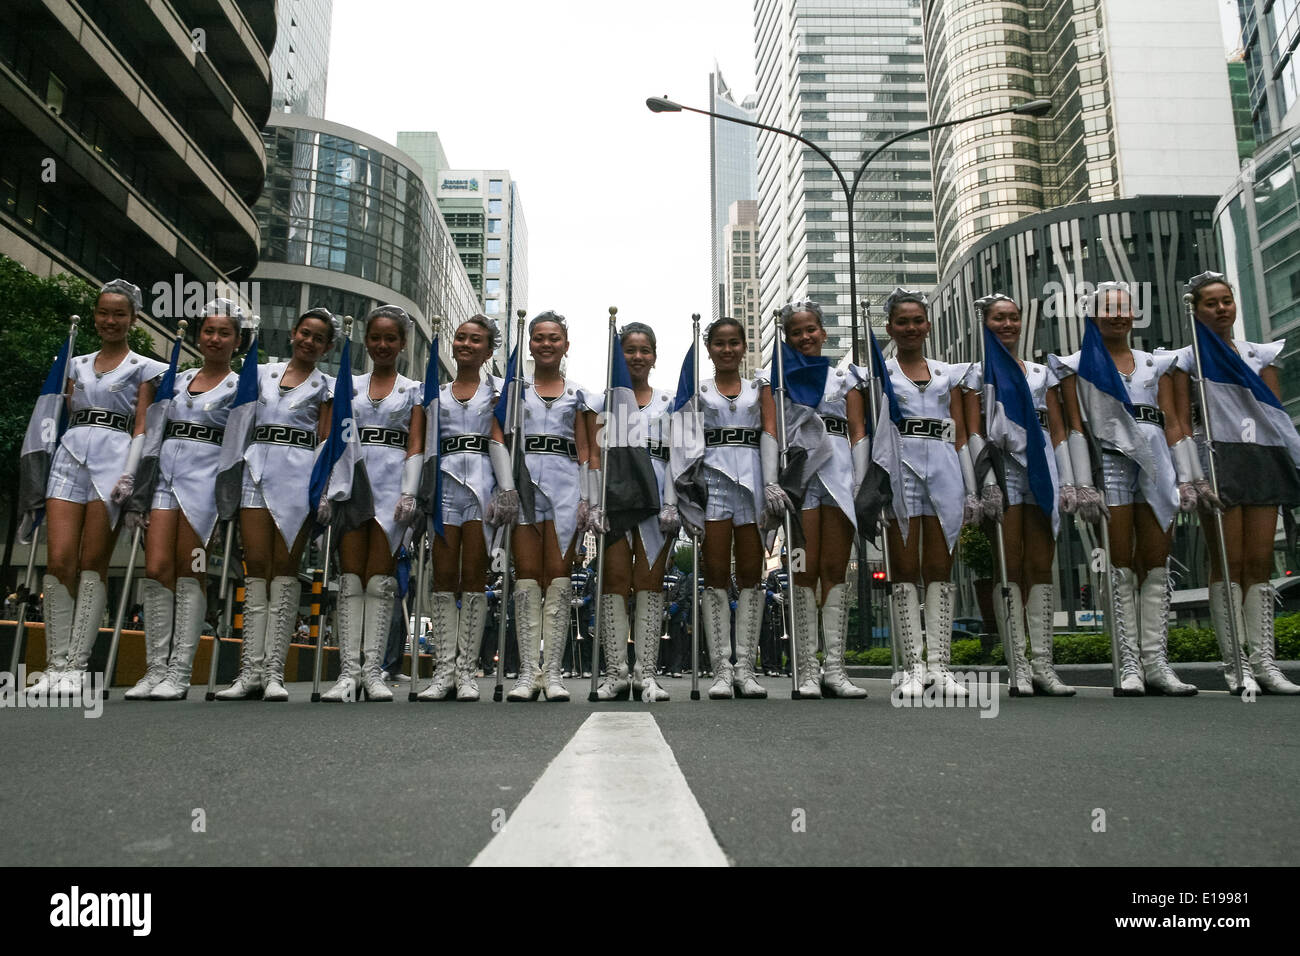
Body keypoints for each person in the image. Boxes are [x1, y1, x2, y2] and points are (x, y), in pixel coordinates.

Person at [1052, 282, 1196, 696]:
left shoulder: (1157, 364)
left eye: (1124, 308)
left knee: (1155, 561)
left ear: (1134, 315)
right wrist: (1080, 482)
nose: (1117, 315)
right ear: (1092, 317)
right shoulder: (1076, 365)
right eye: (1107, 309)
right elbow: (1075, 425)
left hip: (1156, 466)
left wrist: (1187, 476)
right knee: (1120, 562)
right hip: (1109, 466)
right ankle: (1127, 663)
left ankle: (1157, 663)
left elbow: (1171, 421)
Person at [28, 279, 167, 696]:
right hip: (71, 455)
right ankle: (54, 663)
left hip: (113, 458)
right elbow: (62, 412)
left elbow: (143, 422)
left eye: (119, 314)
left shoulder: (145, 367)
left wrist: (131, 471)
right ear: (95, 316)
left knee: (93, 562)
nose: (110, 320)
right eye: (104, 313)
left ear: (133, 319)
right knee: (59, 561)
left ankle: (76, 664)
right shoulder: (75, 363)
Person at [1166, 271, 1300, 695]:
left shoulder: (1260, 355)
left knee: (1259, 563)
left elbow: (1274, 416)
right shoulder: (1186, 360)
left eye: (1226, 301)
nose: (1221, 309)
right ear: (1196, 309)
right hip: (1215, 459)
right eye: (1211, 303)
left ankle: (1265, 663)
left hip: (1259, 458)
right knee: (1228, 562)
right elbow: (1181, 420)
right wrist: (1190, 475)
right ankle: (1236, 665)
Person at [125, 299, 244, 700]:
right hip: (164, 482)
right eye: (208, 331)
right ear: (199, 336)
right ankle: (154, 669)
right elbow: (152, 428)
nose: (214, 338)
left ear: (237, 341)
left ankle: (179, 672)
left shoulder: (240, 388)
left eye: (223, 333)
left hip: (205, 489)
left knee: (189, 572)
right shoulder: (176, 379)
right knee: (157, 568)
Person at [216, 307, 337, 701]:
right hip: (256, 470)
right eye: (304, 333)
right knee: (257, 569)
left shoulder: (328, 386)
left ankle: (274, 673)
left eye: (318, 338)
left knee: (285, 571)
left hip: (298, 479)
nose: (309, 342)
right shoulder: (261, 372)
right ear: (293, 334)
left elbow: (325, 440)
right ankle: (248, 671)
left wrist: (322, 491)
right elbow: (241, 425)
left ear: (326, 347)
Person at [962, 293, 1075, 696]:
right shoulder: (977, 375)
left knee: (1041, 565)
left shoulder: (1043, 374)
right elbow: (973, 431)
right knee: (1009, 564)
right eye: (998, 319)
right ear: (986, 324)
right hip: (1003, 473)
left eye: (1013, 318)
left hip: (1042, 471)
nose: (1007, 325)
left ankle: (1044, 664)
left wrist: (1071, 479)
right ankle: (1019, 666)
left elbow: (1059, 429)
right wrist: (986, 482)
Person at [315, 305, 424, 703]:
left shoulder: (413, 390)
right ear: (366, 340)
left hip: (392, 485)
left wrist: (409, 491)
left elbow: (416, 442)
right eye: (375, 338)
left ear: (402, 343)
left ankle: (373, 671)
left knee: (380, 580)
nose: (382, 345)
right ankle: (348, 673)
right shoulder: (345, 385)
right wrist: (325, 489)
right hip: (352, 483)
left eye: (390, 339)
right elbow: (329, 439)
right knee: (350, 578)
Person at [763, 300, 868, 699]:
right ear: (787, 338)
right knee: (803, 569)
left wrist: (860, 480)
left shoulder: (845, 379)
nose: (805, 337)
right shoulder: (775, 379)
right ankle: (806, 667)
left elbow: (858, 430)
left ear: (824, 333)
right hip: (801, 481)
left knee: (835, 568)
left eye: (811, 329)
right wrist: (772, 481)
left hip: (839, 479)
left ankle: (835, 669)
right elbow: (771, 431)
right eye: (796, 332)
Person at [491, 311, 597, 701]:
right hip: (524, 486)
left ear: (566, 345)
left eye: (554, 338)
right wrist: (505, 488)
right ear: (531, 344)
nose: (547, 343)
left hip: (567, 488)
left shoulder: (581, 395)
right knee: (527, 576)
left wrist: (590, 498)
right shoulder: (514, 391)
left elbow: (588, 450)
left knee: (558, 576)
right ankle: (526, 673)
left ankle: (552, 673)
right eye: (539, 337)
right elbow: (498, 436)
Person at [877, 289, 971, 699]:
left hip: (945, 468)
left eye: (917, 321)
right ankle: (914, 666)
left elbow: (963, 432)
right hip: (902, 471)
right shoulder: (880, 374)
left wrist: (972, 487)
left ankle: (940, 666)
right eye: (903, 322)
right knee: (904, 567)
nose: (911, 328)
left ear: (928, 325)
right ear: (890, 328)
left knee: (939, 567)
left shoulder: (948, 373)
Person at [687, 317, 781, 699]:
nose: (727, 350)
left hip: (753, 482)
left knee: (750, 574)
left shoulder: (760, 389)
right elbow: (684, 441)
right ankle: (721, 669)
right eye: (719, 344)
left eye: (734, 343)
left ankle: (745, 667)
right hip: (712, 483)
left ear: (744, 346)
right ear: (708, 348)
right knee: (714, 573)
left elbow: (771, 432)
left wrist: (772, 481)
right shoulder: (697, 390)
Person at [590, 321, 679, 701]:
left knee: (649, 583)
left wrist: (674, 502)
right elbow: (594, 457)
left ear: (655, 357)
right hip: (616, 500)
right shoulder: (602, 403)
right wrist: (595, 502)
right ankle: (616, 673)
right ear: (618, 356)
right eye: (629, 350)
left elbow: (681, 457)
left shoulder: (672, 401)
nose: (637, 357)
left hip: (657, 500)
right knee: (614, 581)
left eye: (645, 350)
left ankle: (646, 674)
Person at [417, 314, 500, 701]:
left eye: (476, 340)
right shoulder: (434, 391)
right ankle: (443, 671)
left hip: (484, 485)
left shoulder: (499, 391)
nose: (466, 345)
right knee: (443, 575)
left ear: (488, 350)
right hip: (445, 483)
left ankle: (467, 671)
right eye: (461, 338)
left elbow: (504, 442)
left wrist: (505, 490)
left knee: (474, 577)